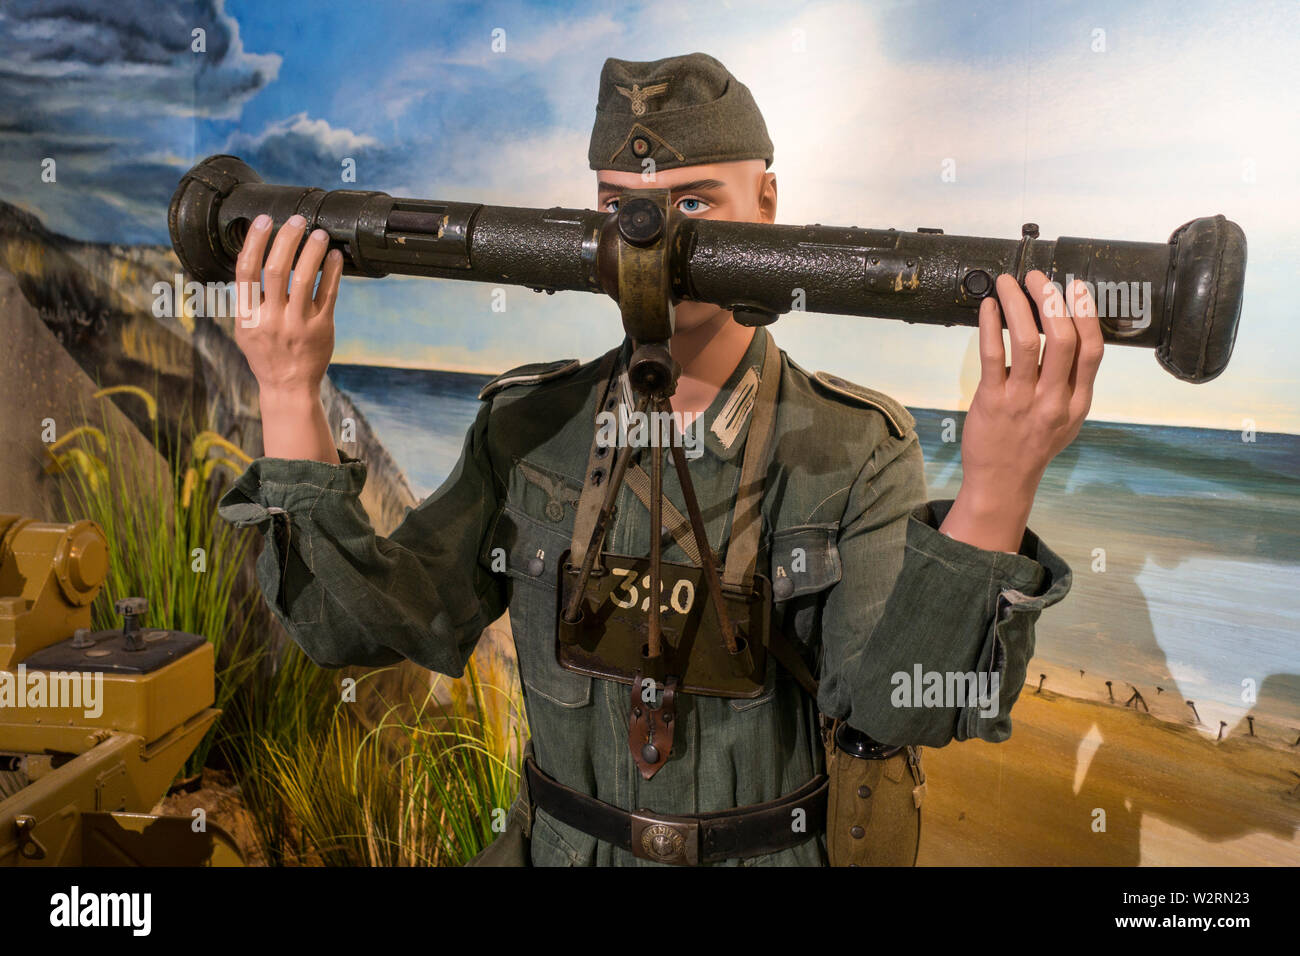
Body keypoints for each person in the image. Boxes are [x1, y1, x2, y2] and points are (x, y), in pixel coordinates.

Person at [218, 52, 1101, 867]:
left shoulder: (851, 448)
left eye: (691, 205)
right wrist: (290, 390)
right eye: (618, 210)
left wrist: (996, 485)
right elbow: (357, 629)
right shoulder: (531, 428)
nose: (647, 246)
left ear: (767, 202)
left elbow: (897, 709)